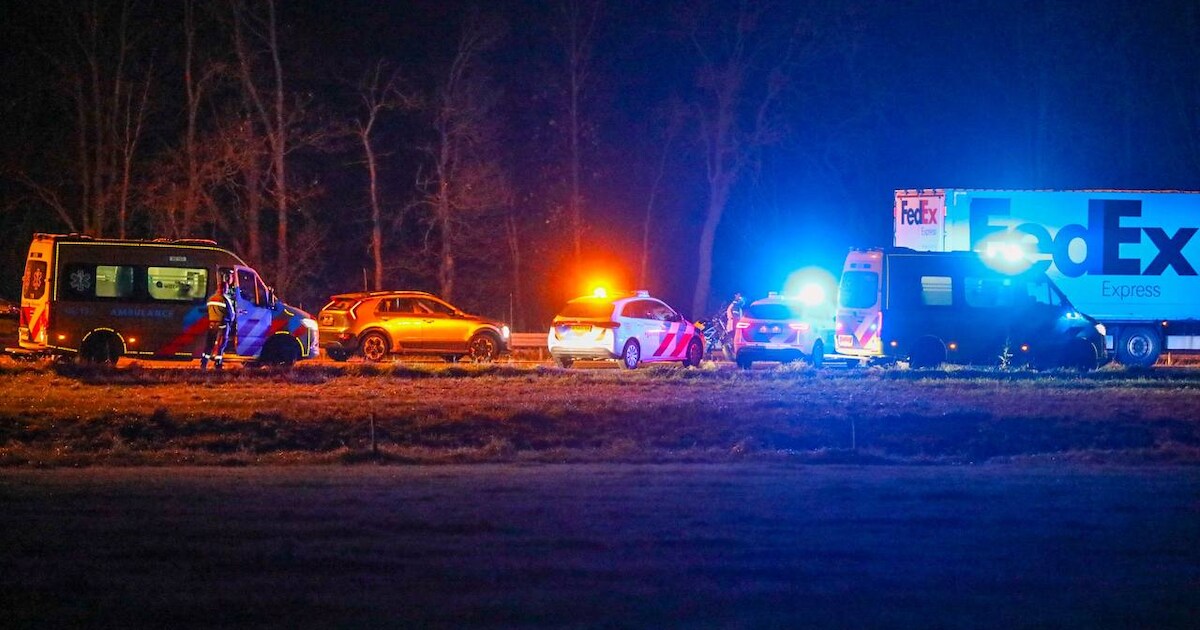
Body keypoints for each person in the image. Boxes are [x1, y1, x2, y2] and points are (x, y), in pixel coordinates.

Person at [200, 269, 237, 370]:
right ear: (225, 289)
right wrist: (231, 322)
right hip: (223, 325)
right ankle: (218, 364)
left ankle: (203, 364)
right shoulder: (225, 299)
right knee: (221, 345)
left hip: (212, 324)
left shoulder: (211, 298)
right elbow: (231, 314)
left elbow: (207, 311)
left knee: (209, 345)